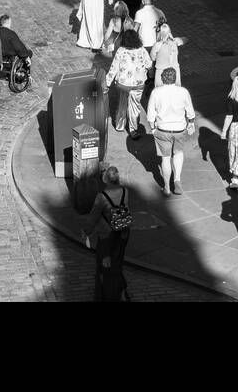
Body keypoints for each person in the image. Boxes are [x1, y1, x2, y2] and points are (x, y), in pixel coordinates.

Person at [83, 166, 131, 302]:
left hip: (107, 235)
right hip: (123, 232)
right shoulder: (125, 191)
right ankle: (121, 291)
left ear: (105, 180)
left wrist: (86, 231)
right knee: (118, 262)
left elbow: (93, 217)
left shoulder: (101, 197)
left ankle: (109, 294)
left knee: (105, 265)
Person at [145, 67, 195, 195]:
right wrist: (191, 123)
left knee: (165, 158)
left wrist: (153, 128)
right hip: (179, 129)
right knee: (178, 153)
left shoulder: (156, 92)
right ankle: (177, 179)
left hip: (162, 129)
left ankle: (167, 187)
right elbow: (190, 112)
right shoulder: (183, 92)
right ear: (175, 78)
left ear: (162, 78)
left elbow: (150, 114)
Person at [101, 29, 151, 137]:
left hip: (123, 84)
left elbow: (114, 68)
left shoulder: (121, 50)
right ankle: (133, 130)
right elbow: (149, 64)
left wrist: (107, 83)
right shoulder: (141, 50)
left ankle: (120, 125)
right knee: (135, 107)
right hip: (138, 84)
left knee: (122, 103)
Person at [150, 22, 184, 86]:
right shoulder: (175, 41)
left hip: (161, 71)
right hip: (175, 71)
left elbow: (152, 58)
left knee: (160, 92)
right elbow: (183, 40)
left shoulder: (157, 45)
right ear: (169, 32)